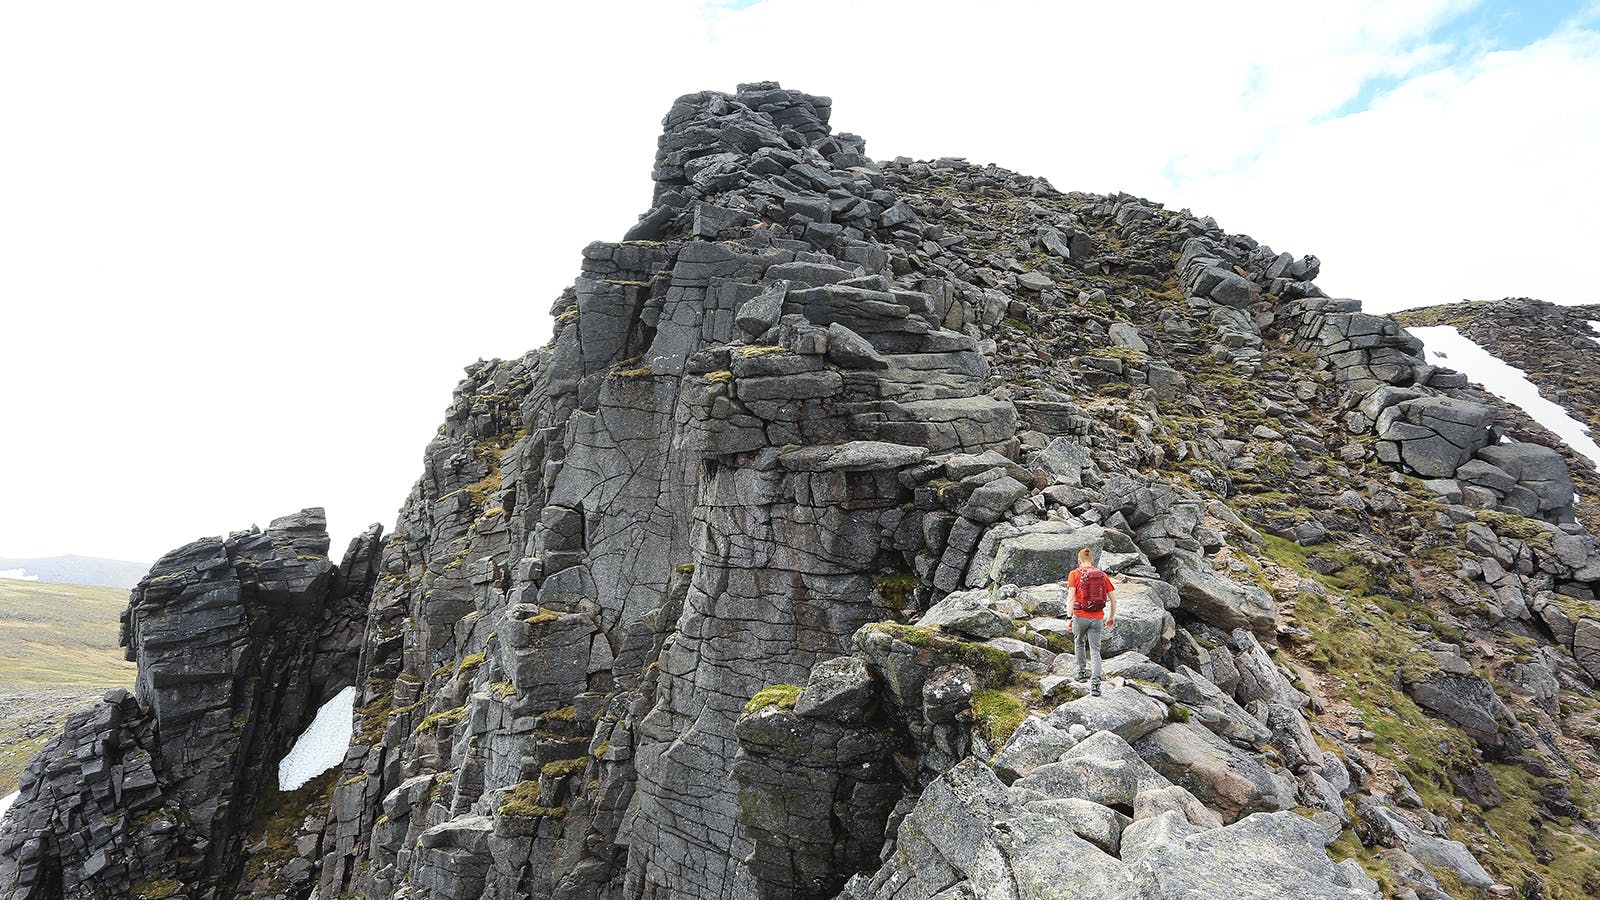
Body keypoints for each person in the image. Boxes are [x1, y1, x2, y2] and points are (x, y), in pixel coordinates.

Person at [1062, 546, 1115, 696]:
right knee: (1095, 650)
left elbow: (1071, 597)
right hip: (1097, 618)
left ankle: (1081, 672)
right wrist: (1111, 616)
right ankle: (1096, 684)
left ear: (1079, 561)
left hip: (1080, 616)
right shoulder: (1102, 575)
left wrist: (1068, 618)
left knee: (1079, 642)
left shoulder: (1074, 574)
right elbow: (1113, 599)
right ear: (1092, 560)